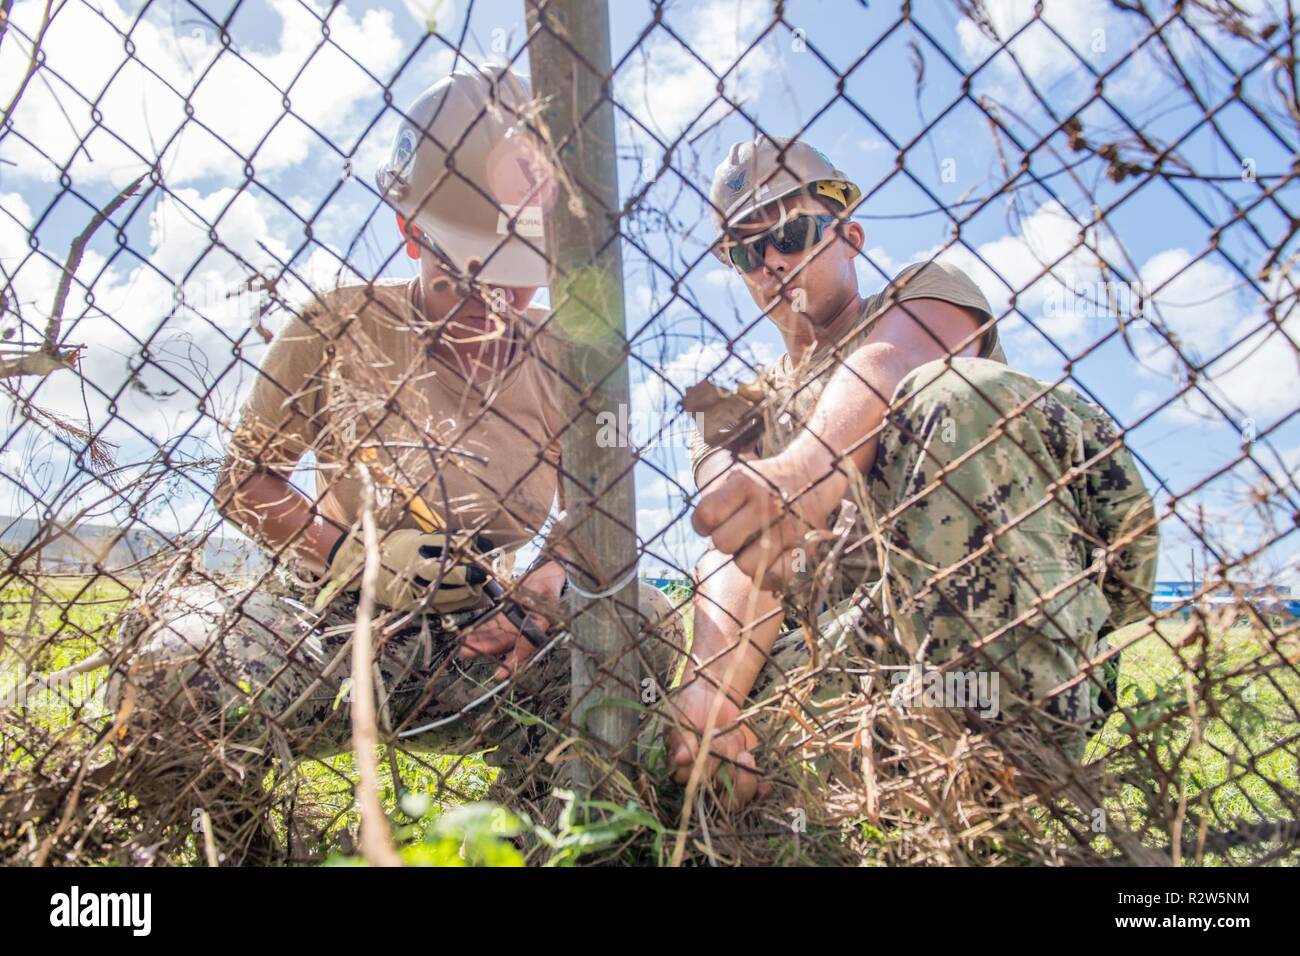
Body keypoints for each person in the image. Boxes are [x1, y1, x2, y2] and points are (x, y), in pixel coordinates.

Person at [100, 64, 683, 860]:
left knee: (640, 619)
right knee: (176, 661)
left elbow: (603, 494)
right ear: (414, 236)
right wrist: (349, 554)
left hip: (491, 626)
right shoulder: (335, 324)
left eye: (520, 281)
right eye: (473, 279)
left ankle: (546, 841)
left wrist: (545, 579)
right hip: (333, 619)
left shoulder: (572, 357)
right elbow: (244, 480)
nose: (498, 310)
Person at [665, 135, 1158, 807]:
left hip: (986, 604)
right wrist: (710, 687)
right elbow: (734, 548)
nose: (771, 261)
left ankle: (1011, 770)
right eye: (746, 251)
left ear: (850, 235)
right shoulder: (735, 407)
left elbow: (887, 367)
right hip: (846, 644)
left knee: (954, 395)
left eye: (792, 233)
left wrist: (801, 474)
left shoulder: (926, 291)